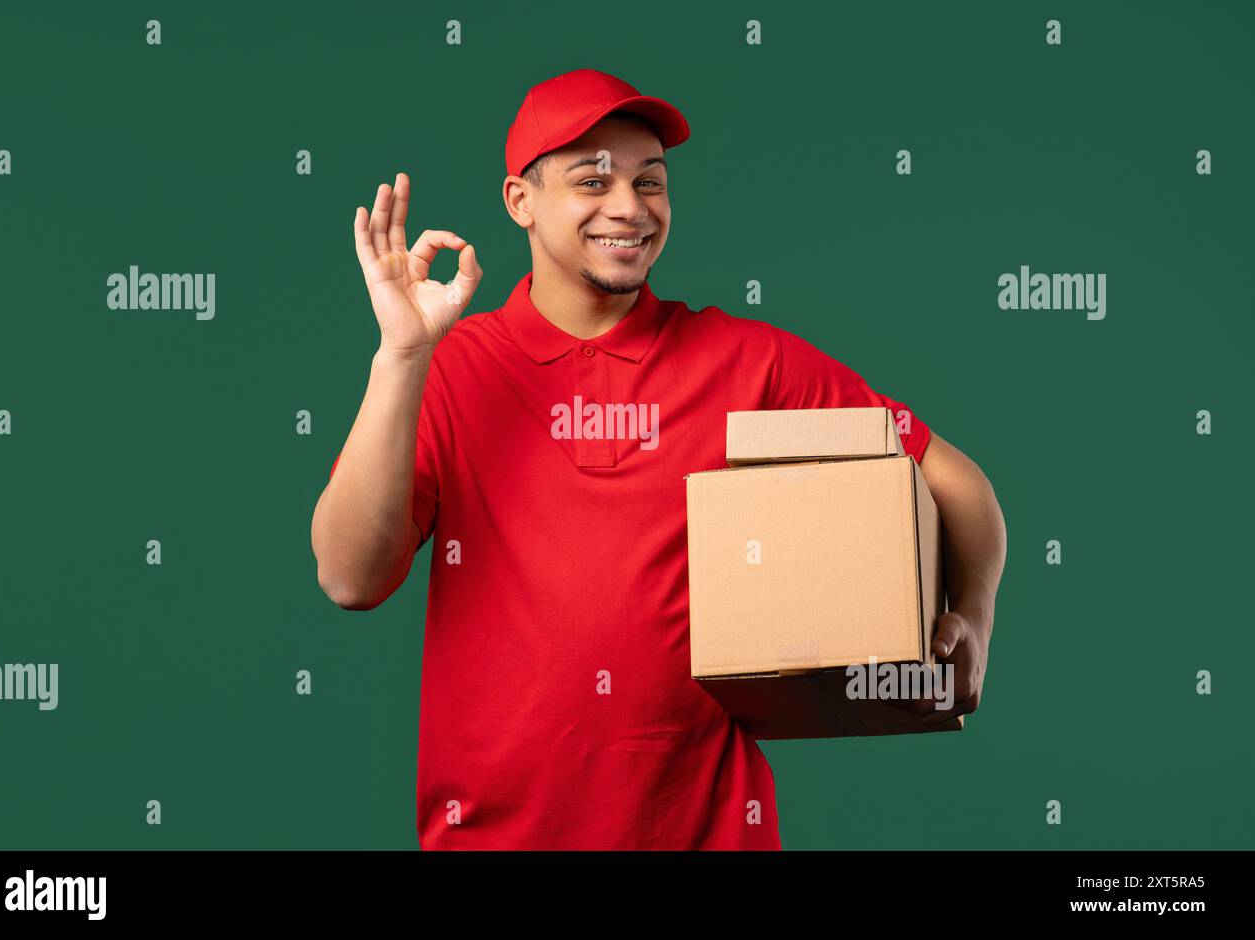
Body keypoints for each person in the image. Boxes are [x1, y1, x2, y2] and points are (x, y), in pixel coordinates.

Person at [311, 68, 1006, 850]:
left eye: (651, 181)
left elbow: (952, 477)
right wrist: (402, 354)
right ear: (520, 202)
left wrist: (972, 617)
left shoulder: (747, 363)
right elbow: (350, 578)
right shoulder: (450, 368)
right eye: (592, 180)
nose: (629, 207)